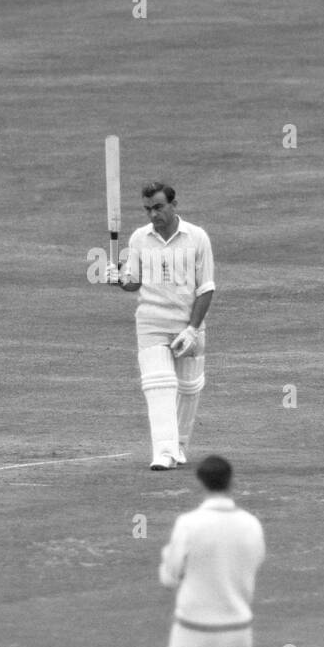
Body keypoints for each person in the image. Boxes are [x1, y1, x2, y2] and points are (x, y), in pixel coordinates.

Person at [115, 181, 215, 470]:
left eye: (158, 207)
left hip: (188, 322)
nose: (153, 214)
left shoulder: (197, 237)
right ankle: (164, 452)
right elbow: (132, 282)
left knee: (189, 387)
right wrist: (118, 277)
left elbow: (206, 288)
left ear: (173, 205)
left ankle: (179, 445)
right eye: (148, 209)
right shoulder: (139, 239)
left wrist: (192, 329)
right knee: (158, 385)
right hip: (151, 323)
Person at [158, 455, 265, 647]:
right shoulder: (251, 524)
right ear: (231, 481)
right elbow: (254, 563)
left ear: (200, 482)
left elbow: (170, 577)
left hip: (195, 632)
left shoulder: (189, 524)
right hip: (238, 630)